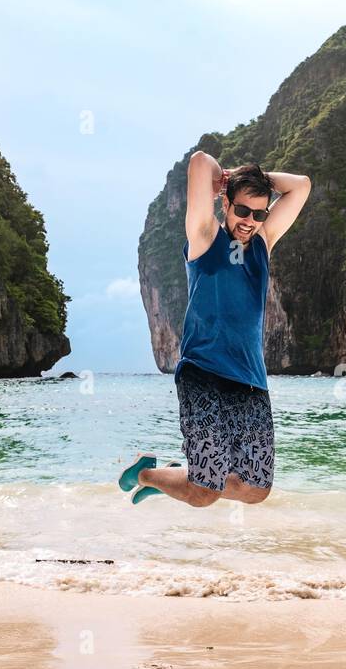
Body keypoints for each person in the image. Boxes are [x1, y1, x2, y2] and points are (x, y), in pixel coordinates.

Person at [118, 152, 311, 507]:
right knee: (205, 493)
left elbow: (301, 186)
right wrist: (228, 177)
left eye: (259, 213)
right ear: (226, 203)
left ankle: (180, 473)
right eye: (242, 211)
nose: (249, 221)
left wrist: (257, 177)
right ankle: (146, 473)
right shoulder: (205, 238)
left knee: (255, 489)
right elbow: (199, 163)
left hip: (250, 380)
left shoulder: (262, 244)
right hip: (203, 373)